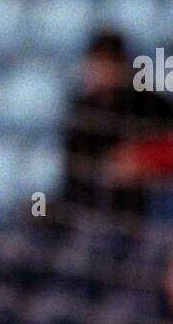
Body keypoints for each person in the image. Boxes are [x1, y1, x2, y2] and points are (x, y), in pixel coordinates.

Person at [62, 30, 173, 223]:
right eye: (98, 63)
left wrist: (142, 159)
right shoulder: (82, 110)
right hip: (93, 207)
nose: (103, 72)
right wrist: (106, 171)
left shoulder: (152, 105)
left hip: (145, 209)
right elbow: (74, 173)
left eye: (109, 63)